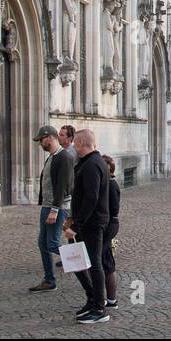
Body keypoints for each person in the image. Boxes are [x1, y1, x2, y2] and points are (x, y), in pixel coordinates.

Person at [67, 129, 111, 323]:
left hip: (93, 223)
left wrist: (76, 225)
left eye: (76, 144)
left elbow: (91, 198)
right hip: (87, 222)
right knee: (81, 262)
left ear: (82, 143)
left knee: (94, 264)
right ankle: (92, 300)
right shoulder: (88, 162)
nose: (74, 147)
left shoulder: (93, 164)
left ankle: (100, 308)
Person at [29, 125, 72, 293]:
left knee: (52, 243)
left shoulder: (64, 157)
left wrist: (55, 209)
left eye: (42, 139)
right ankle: (49, 280)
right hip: (48, 206)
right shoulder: (53, 157)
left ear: (51, 137)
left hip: (57, 207)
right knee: (43, 243)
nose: (40, 143)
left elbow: (62, 185)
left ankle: (83, 259)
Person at [100, 154, 122, 309]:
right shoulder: (103, 183)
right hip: (104, 225)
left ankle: (104, 299)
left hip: (108, 226)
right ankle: (111, 299)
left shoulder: (111, 185)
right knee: (106, 260)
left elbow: (114, 209)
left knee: (102, 261)